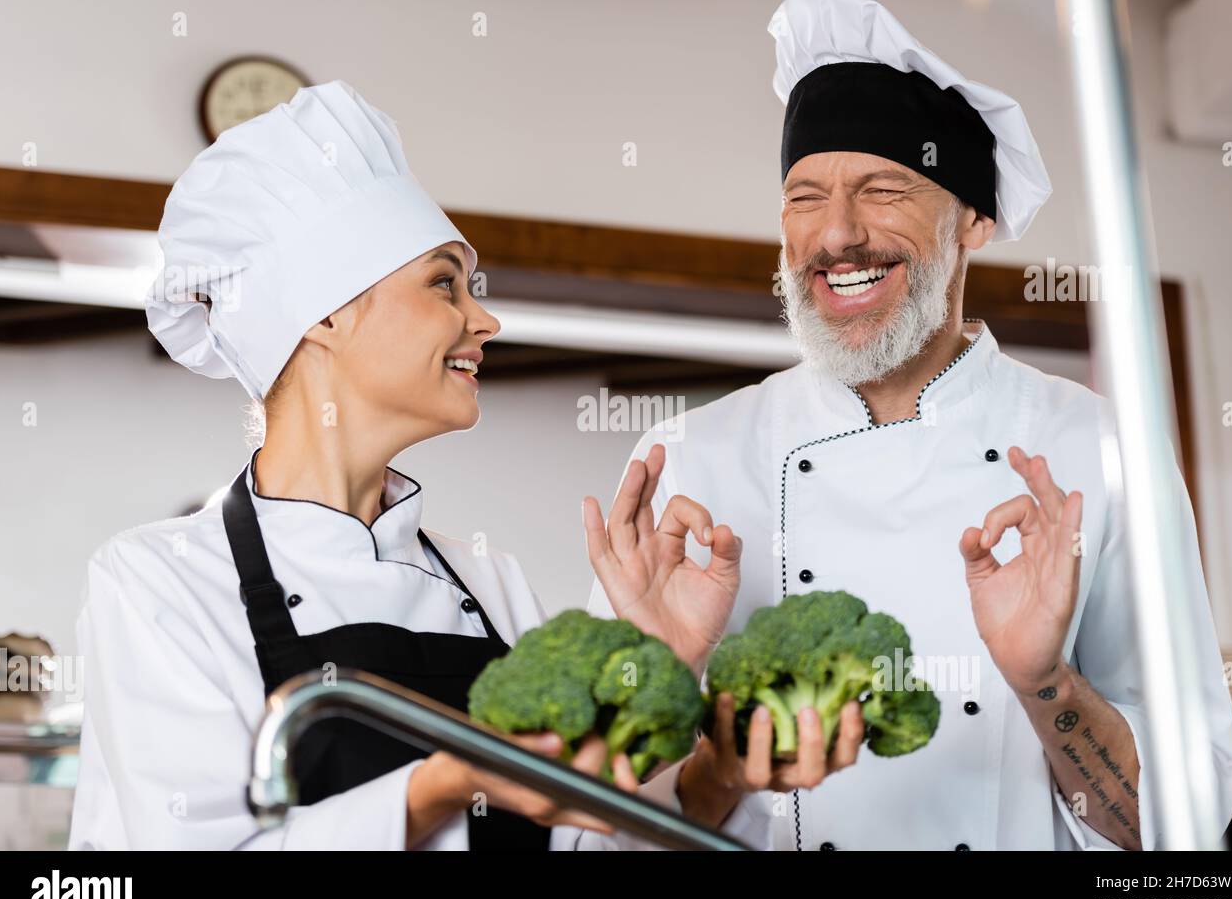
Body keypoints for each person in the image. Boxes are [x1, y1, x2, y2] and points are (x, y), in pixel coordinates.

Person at [67, 80, 860, 851]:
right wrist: (446, 779)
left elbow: (573, 841)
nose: (485, 318)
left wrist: (697, 742)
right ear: (326, 315)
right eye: (445, 283)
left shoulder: (488, 585)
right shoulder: (159, 586)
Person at [589, 0, 1232, 851]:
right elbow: (588, 836)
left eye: (883, 188)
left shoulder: (1096, 449)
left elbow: (1179, 832)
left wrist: (1044, 680)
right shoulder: (688, 457)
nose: (836, 235)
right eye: (804, 196)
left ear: (971, 217)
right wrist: (681, 704)